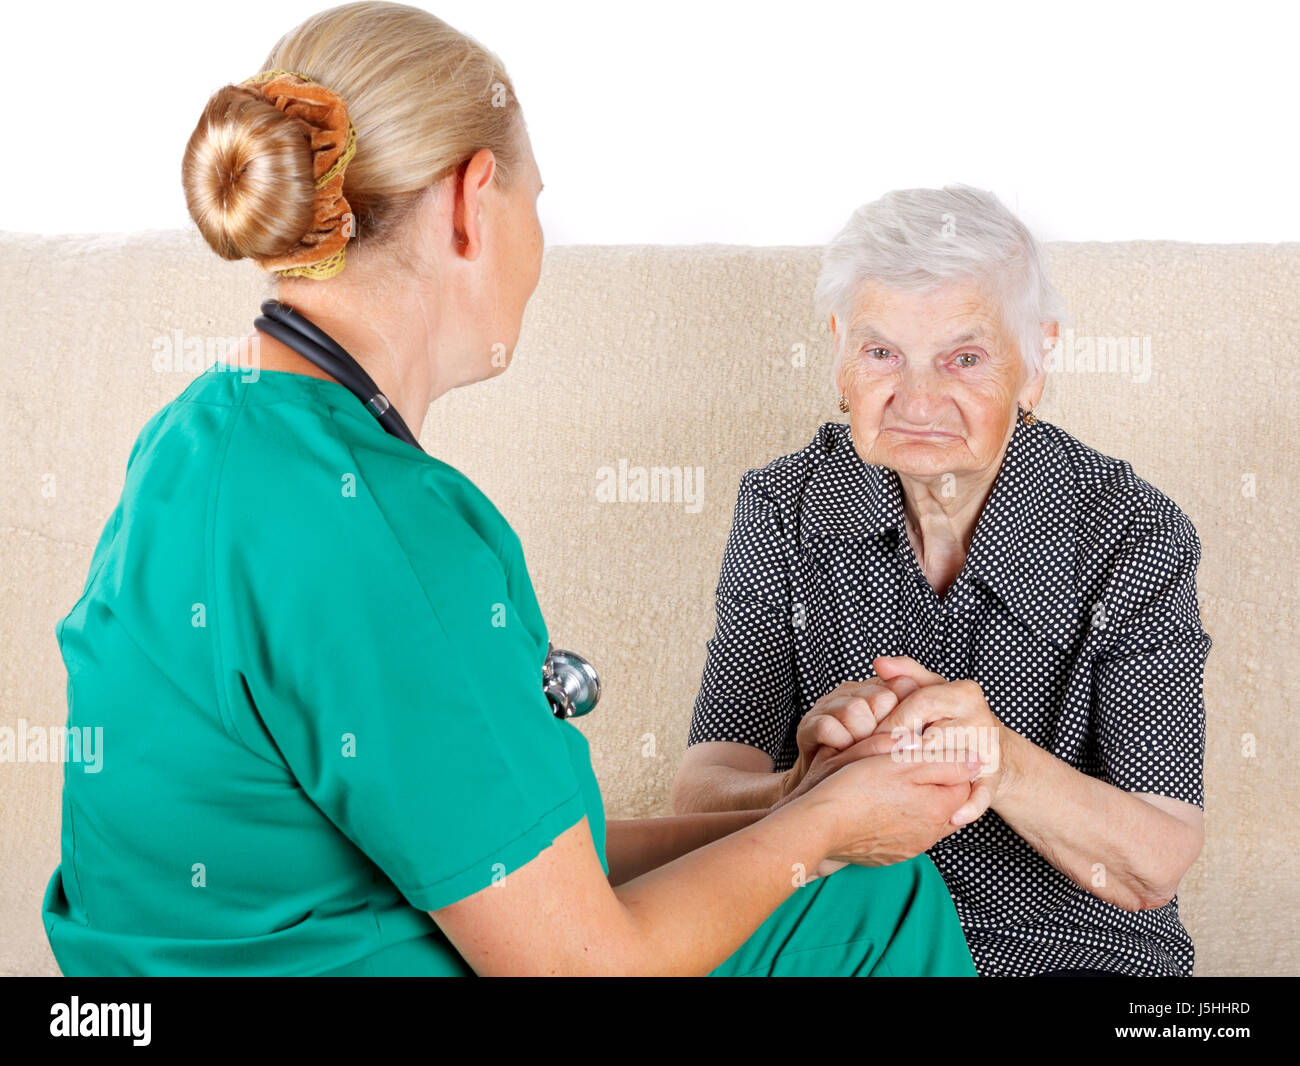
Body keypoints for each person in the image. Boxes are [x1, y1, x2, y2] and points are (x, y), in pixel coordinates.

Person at [41, 1, 979, 977]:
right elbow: (581, 964)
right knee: (877, 901)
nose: (540, 242)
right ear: (469, 201)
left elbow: (512, 870)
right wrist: (831, 836)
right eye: (537, 199)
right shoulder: (387, 534)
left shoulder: (195, 439)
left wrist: (790, 805)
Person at [673, 184, 1210, 976]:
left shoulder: (1132, 530)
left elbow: (1156, 856)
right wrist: (806, 787)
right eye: (882, 351)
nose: (917, 400)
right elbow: (704, 790)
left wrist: (994, 757)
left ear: (1036, 362)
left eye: (964, 358)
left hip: (1066, 958)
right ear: (838, 351)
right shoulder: (784, 506)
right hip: (845, 939)